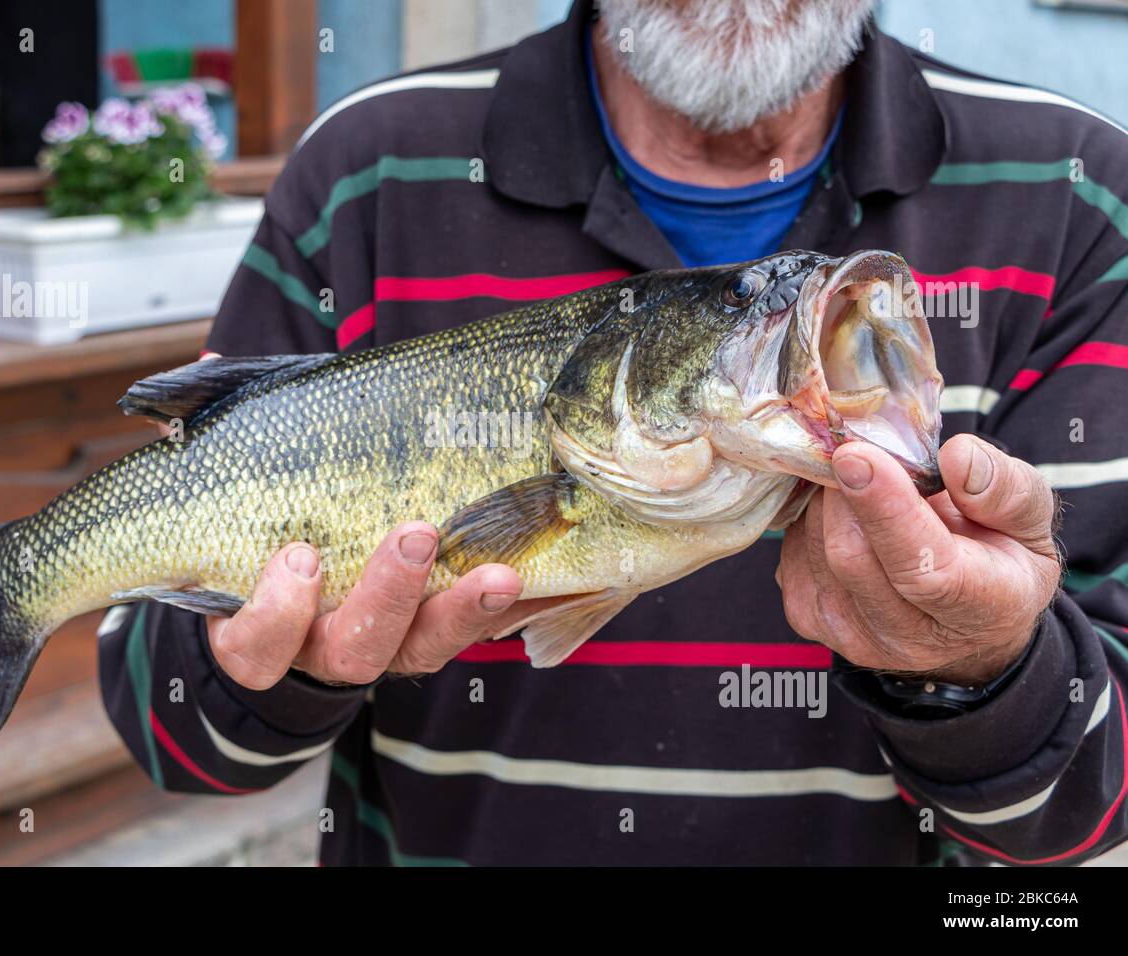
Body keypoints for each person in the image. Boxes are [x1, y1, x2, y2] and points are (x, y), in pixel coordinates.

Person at [99, 0, 1128, 865]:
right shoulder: (362, 168)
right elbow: (170, 729)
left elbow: (1097, 809)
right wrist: (293, 667)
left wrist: (983, 669)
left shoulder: (1079, 195)